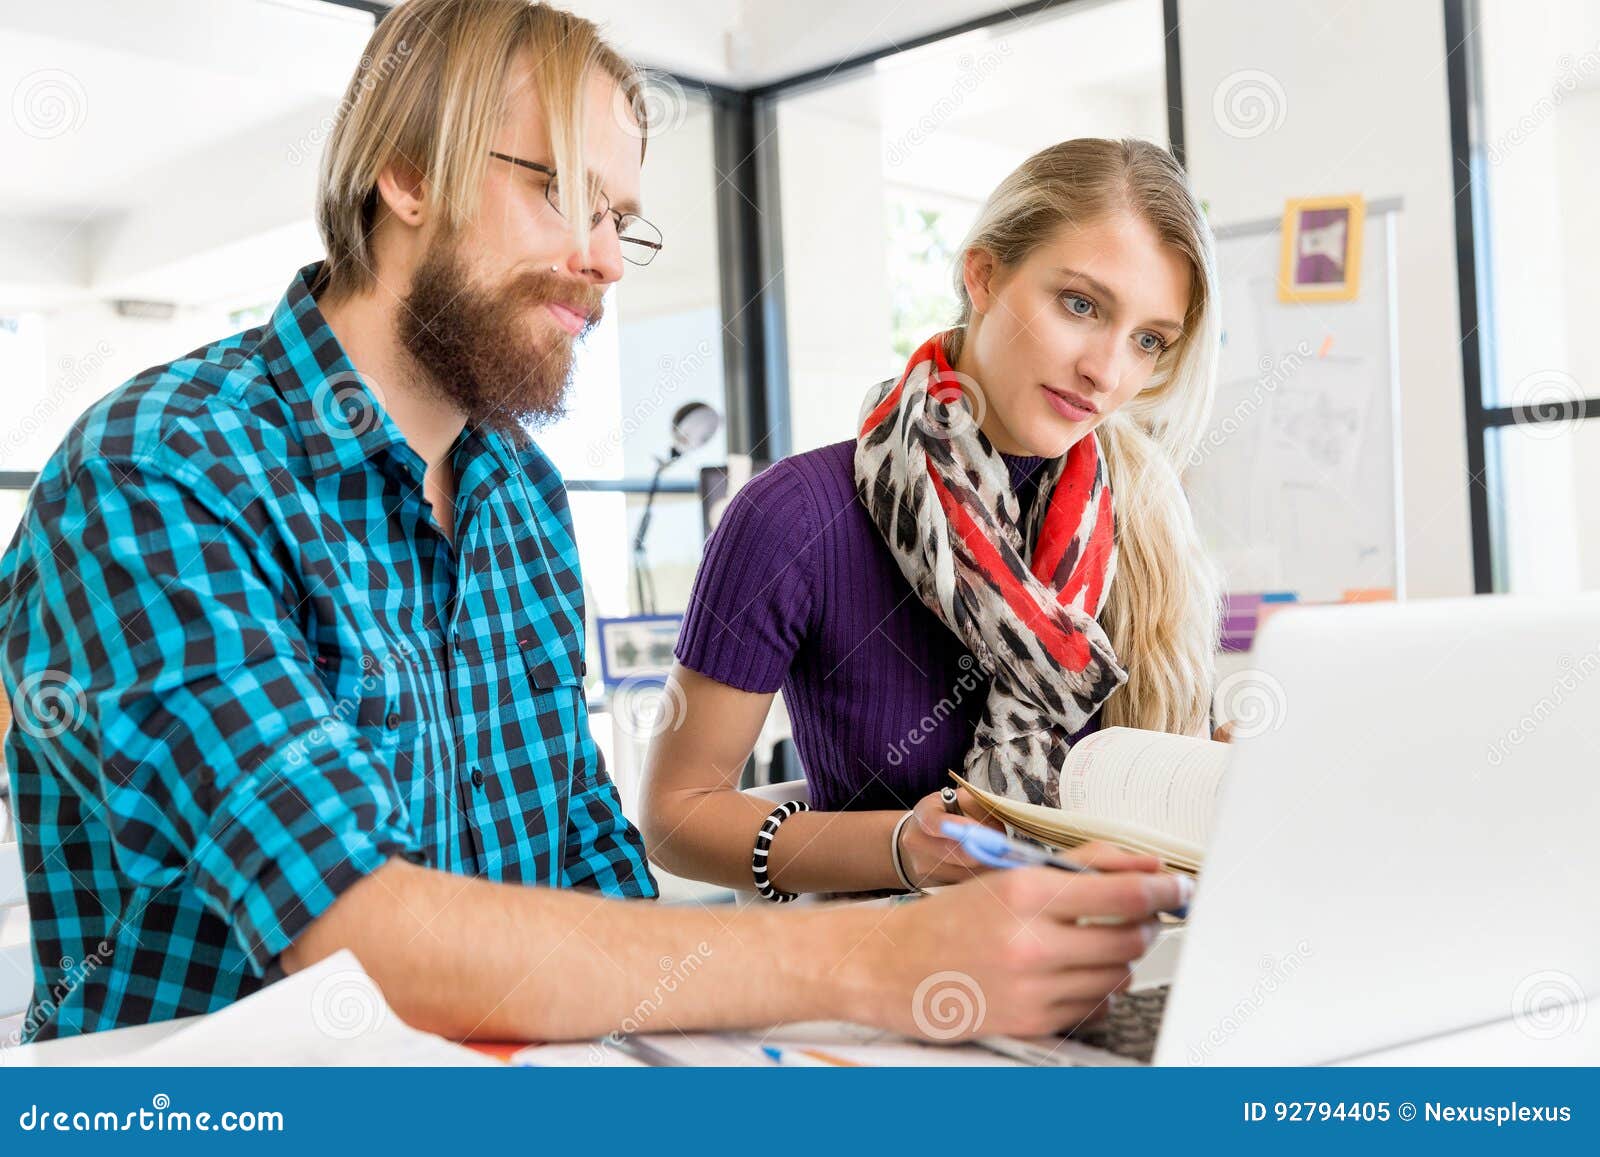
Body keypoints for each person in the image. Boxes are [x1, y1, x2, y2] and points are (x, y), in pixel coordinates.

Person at [0, 0, 1188, 1046]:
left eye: (624, 218)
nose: (608, 261)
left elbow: (585, 850)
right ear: (406, 172)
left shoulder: (518, 492)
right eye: (565, 195)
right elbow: (358, 932)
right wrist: (877, 957)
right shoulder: (161, 472)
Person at [642, 137, 1228, 898]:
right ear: (983, 275)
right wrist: (899, 847)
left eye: (1148, 340)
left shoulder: (1147, 522)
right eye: (1080, 304)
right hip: (882, 962)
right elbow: (677, 817)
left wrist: (1223, 777)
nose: (1106, 371)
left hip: (1123, 951)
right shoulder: (793, 516)